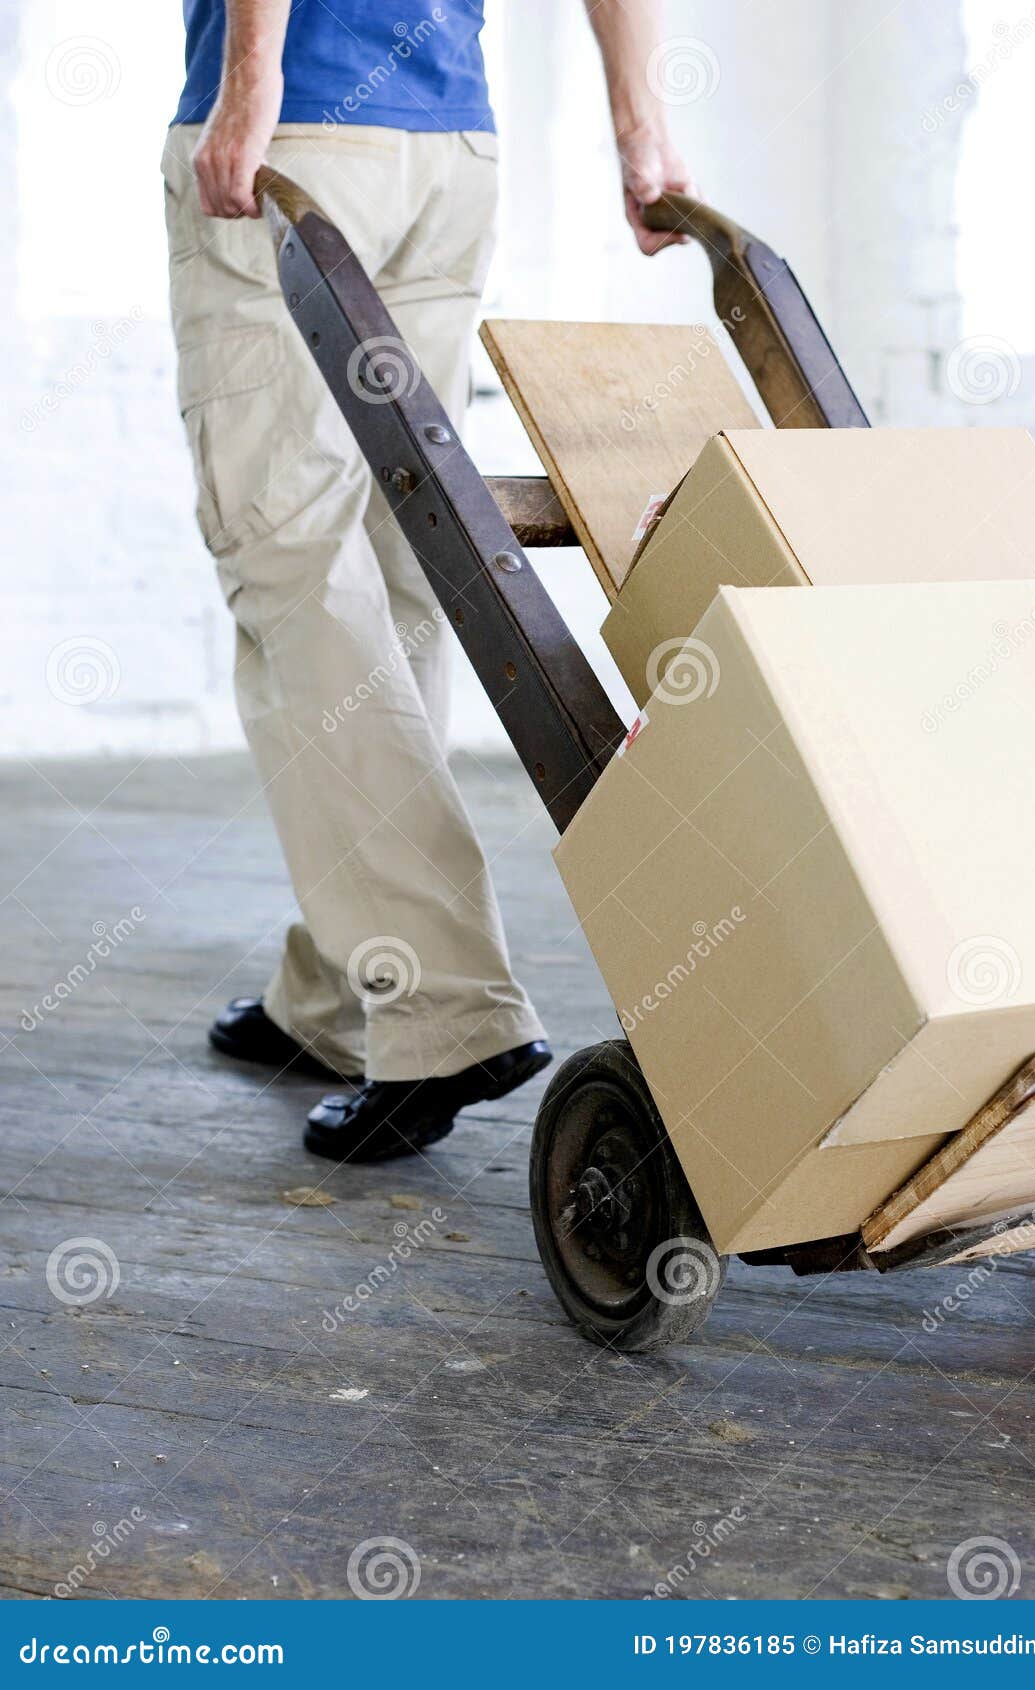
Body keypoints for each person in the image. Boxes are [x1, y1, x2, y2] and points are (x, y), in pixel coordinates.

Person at [163, 0, 694, 1164]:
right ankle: (344, 988)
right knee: (397, 557)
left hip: (301, 126)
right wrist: (639, 126)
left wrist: (249, 86)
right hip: (451, 150)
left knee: (288, 552)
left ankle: (442, 1009)